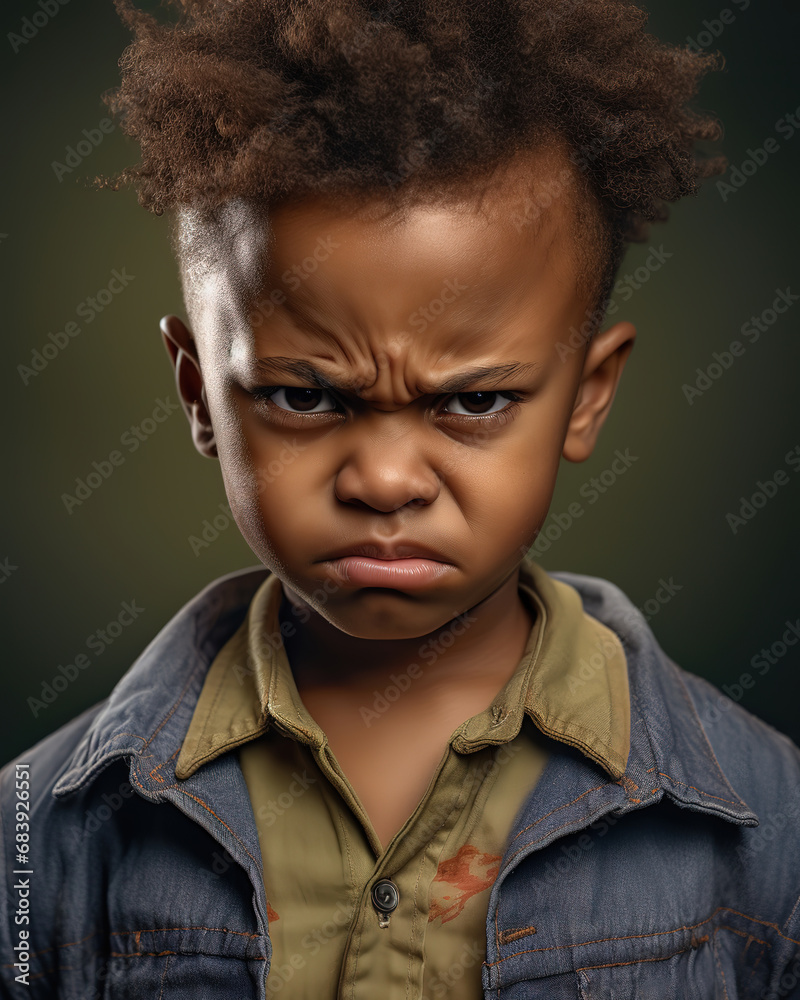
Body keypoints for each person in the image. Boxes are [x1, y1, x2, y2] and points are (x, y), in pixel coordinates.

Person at [2, 0, 799, 997]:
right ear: (198, 391)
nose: (382, 480)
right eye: (302, 395)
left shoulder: (768, 822)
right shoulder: (41, 833)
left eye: (471, 400)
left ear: (585, 397)